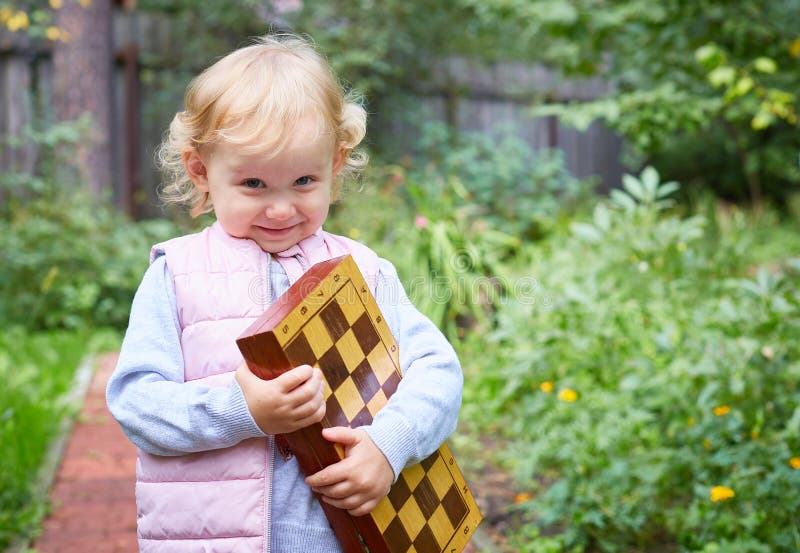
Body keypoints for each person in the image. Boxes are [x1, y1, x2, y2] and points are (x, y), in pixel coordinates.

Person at [106, 33, 463, 553]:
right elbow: (137, 403)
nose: (280, 209)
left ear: (335, 165)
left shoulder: (361, 271)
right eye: (253, 184)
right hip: (210, 540)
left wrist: (389, 447)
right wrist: (240, 409)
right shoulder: (176, 273)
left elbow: (438, 371)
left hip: (336, 538)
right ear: (201, 170)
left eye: (303, 181)